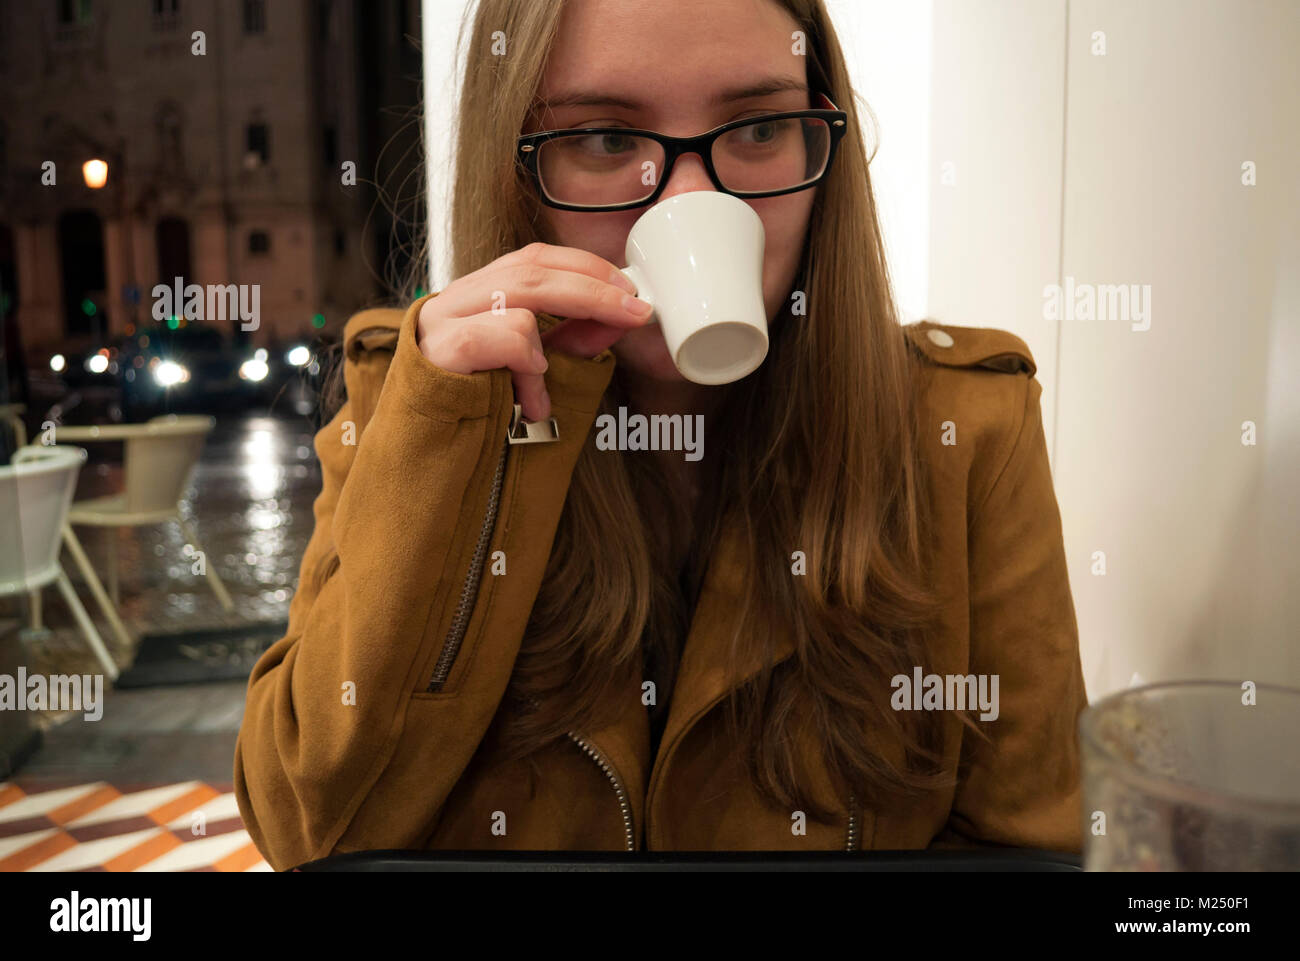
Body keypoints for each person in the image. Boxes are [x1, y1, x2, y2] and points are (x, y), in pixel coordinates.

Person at [235, 0, 1088, 869]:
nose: (692, 200)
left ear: (819, 146)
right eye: (606, 140)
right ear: (511, 172)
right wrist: (456, 438)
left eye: (757, 127)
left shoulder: (963, 430)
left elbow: (1034, 848)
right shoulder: (415, 403)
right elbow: (307, 832)